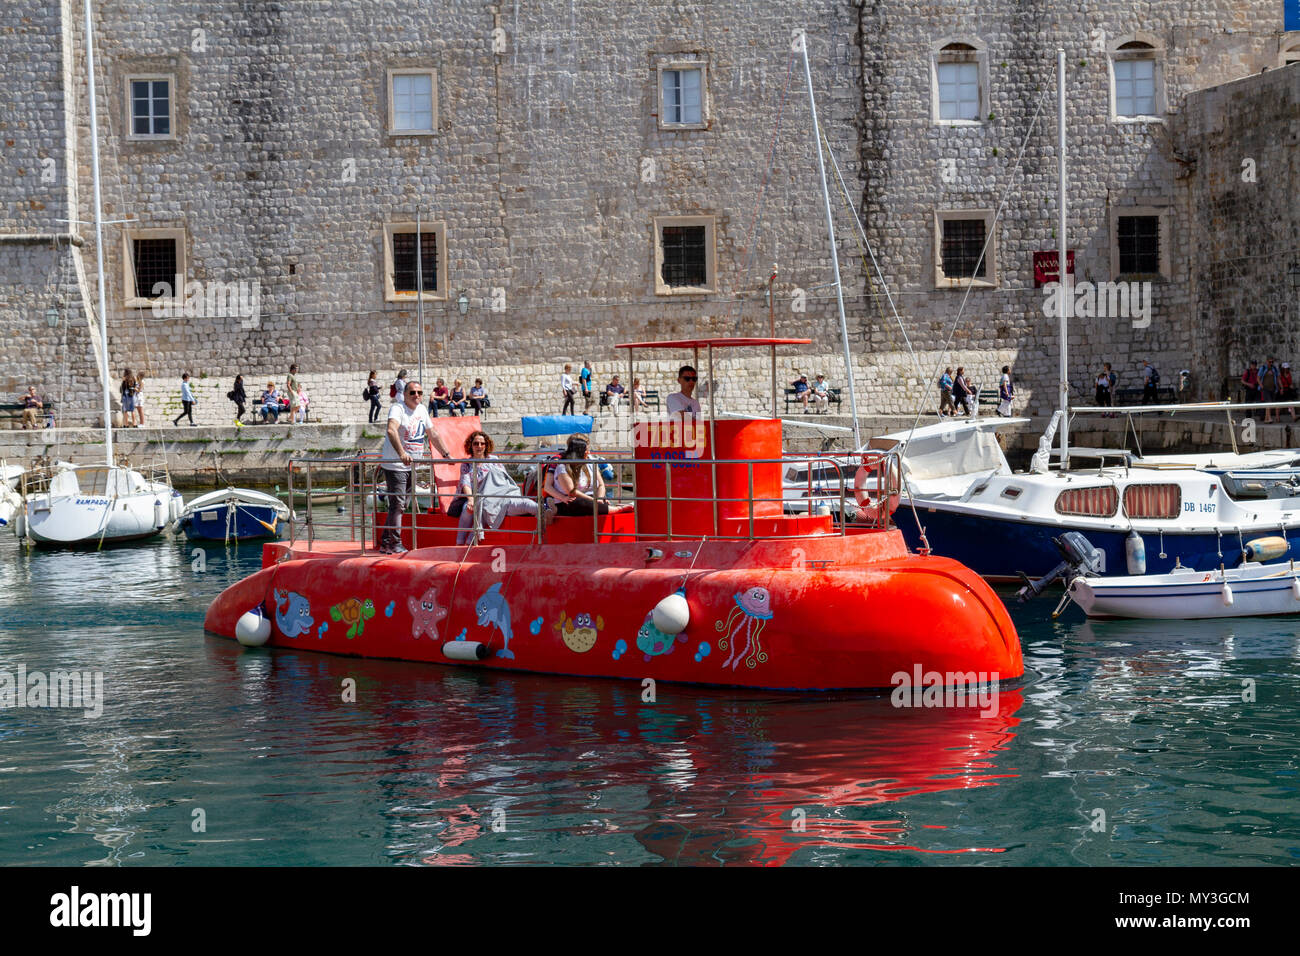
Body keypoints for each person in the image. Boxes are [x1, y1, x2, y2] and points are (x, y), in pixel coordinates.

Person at [381, 380, 451, 554]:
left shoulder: (421, 409)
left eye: (419, 392)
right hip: (396, 465)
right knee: (398, 504)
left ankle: (385, 541)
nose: (416, 396)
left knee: (401, 504)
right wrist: (402, 453)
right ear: (405, 394)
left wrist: (446, 454)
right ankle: (394, 543)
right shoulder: (398, 409)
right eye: (412, 392)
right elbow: (391, 430)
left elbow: (432, 433)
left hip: (412, 466)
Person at [454, 430, 549, 544]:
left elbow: (504, 479)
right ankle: (459, 543)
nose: (479, 446)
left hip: (499, 497)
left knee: (526, 504)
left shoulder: (494, 460)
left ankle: (546, 511)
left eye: (482, 443)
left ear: (486, 445)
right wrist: (470, 499)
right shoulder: (466, 464)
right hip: (477, 497)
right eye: (475, 443)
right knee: (468, 509)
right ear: (471, 445)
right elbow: (466, 483)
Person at [543, 434, 609, 517]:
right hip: (566, 499)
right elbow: (547, 487)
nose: (588, 451)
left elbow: (601, 484)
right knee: (577, 503)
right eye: (585, 446)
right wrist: (562, 497)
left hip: (587, 497)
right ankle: (552, 509)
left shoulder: (588, 461)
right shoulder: (558, 461)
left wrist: (600, 497)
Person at [1262, 357, 1280, 422]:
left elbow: (1278, 378)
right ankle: (1269, 418)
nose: (1271, 363)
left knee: (1270, 403)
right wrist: (1262, 386)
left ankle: (1266, 419)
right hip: (1265, 388)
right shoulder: (1263, 368)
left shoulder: (1274, 369)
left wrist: (1281, 387)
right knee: (1268, 403)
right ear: (1267, 362)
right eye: (1270, 362)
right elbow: (1258, 378)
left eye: (1272, 362)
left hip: (1273, 389)